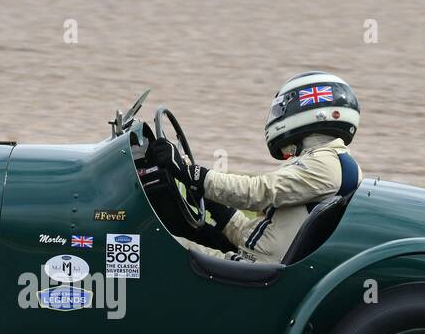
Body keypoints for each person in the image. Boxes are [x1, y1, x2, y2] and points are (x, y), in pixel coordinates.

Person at [146, 72, 362, 263]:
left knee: (149, 246)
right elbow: (263, 236)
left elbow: (258, 192)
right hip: (260, 260)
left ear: (311, 110)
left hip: (256, 268)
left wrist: (192, 175)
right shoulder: (334, 161)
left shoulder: (326, 165)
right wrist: (218, 208)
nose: (278, 117)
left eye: (283, 109)